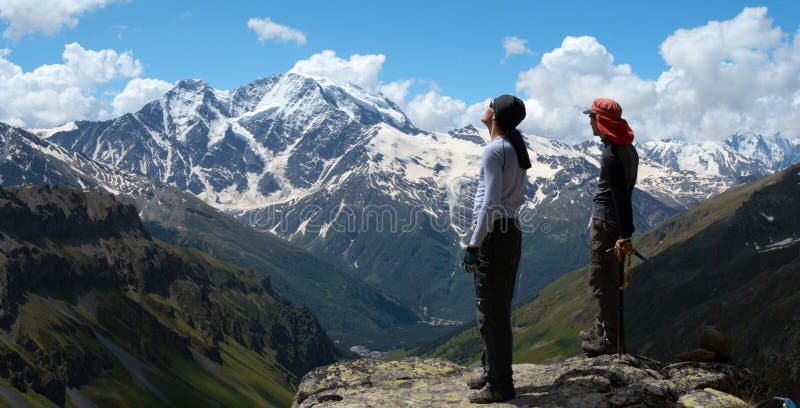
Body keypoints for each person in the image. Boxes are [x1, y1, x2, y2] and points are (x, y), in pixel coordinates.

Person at [462, 94, 531, 403]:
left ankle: (500, 384)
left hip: (494, 234)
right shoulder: (514, 145)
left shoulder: (493, 150)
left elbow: (489, 203)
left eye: (489, 103)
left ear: (495, 115)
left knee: (490, 314)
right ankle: (491, 370)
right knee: (497, 308)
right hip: (511, 231)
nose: (485, 106)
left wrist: (473, 244)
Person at [579, 97, 639, 357]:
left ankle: (610, 340)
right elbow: (625, 193)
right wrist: (626, 232)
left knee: (602, 279)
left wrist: (625, 234)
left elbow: (619, 195)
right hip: (614, 225)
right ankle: (602, 330)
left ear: (600, 120)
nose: (589, 122)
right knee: (610, 278)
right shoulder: (628, 150)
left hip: (606, 225)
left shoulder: (611, 155)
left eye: (591, 117)